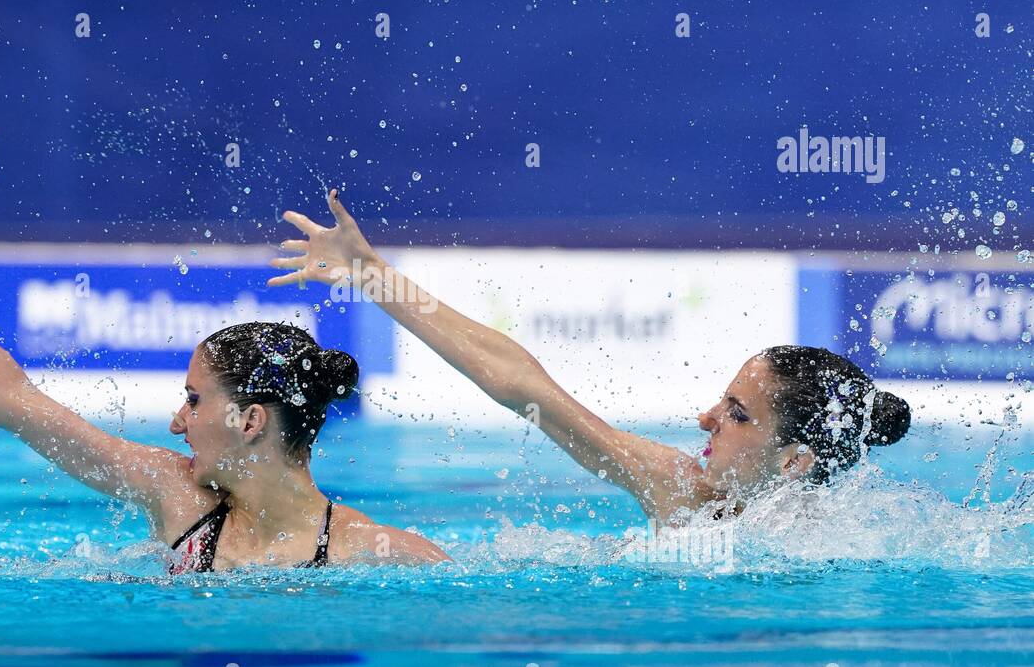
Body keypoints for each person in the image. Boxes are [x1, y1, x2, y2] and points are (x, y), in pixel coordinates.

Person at [0, 154, 450, 571]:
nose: (175, 422)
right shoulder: (177, 496)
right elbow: (10, 401)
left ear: (252, 420)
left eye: (194, 401)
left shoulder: (374, 555)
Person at [270, 189, 912, 524]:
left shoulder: (850, 546)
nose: (704, 417)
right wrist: (375, 275)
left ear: (796, 461)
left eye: (737, 414)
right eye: (721, 399)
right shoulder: (677, 489)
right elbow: (526, 388)